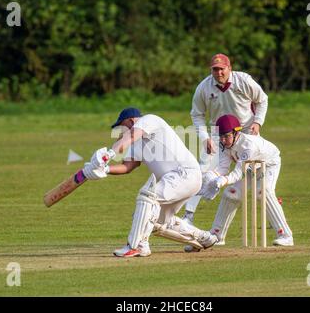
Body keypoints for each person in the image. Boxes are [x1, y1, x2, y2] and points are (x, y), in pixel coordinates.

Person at [83, 107, 218, 257]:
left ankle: (136, 246)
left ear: (132, 120)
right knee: (154, 222)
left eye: (122, 126)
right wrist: (105, 169)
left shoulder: (149, 120)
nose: (121, 131)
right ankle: (203, 238)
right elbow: (127, 167)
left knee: (147, 196)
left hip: (185, 173)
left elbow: (130, 137)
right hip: (177, 179)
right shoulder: (136, 144)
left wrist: (109, 154)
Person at [183, 53, 270, 242]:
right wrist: (205, 137)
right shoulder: (204, 88)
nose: (219, 72)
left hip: (246, 131)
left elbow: (262, 100)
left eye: (222, 68)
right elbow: (196, 114)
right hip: (217, 134)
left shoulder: (244, 81)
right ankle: (188, 216)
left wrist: (258, 122)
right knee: (203, 171)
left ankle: (271, 217)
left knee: (257, 176)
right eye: (215, 69)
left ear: (229, 68)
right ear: (211, 70)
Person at [197, 114, 294, 248]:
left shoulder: (248, 146)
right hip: (248, 166)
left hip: (269, 162)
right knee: (231, 193)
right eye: (221, 136)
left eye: (226, 136)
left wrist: (223, 180)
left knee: (263, 192)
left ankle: (285, 236)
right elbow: (223, 168)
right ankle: (216, 236)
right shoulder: (224, 144)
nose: (223, 140)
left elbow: (237, 173)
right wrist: (210, 177)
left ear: (236, 132)